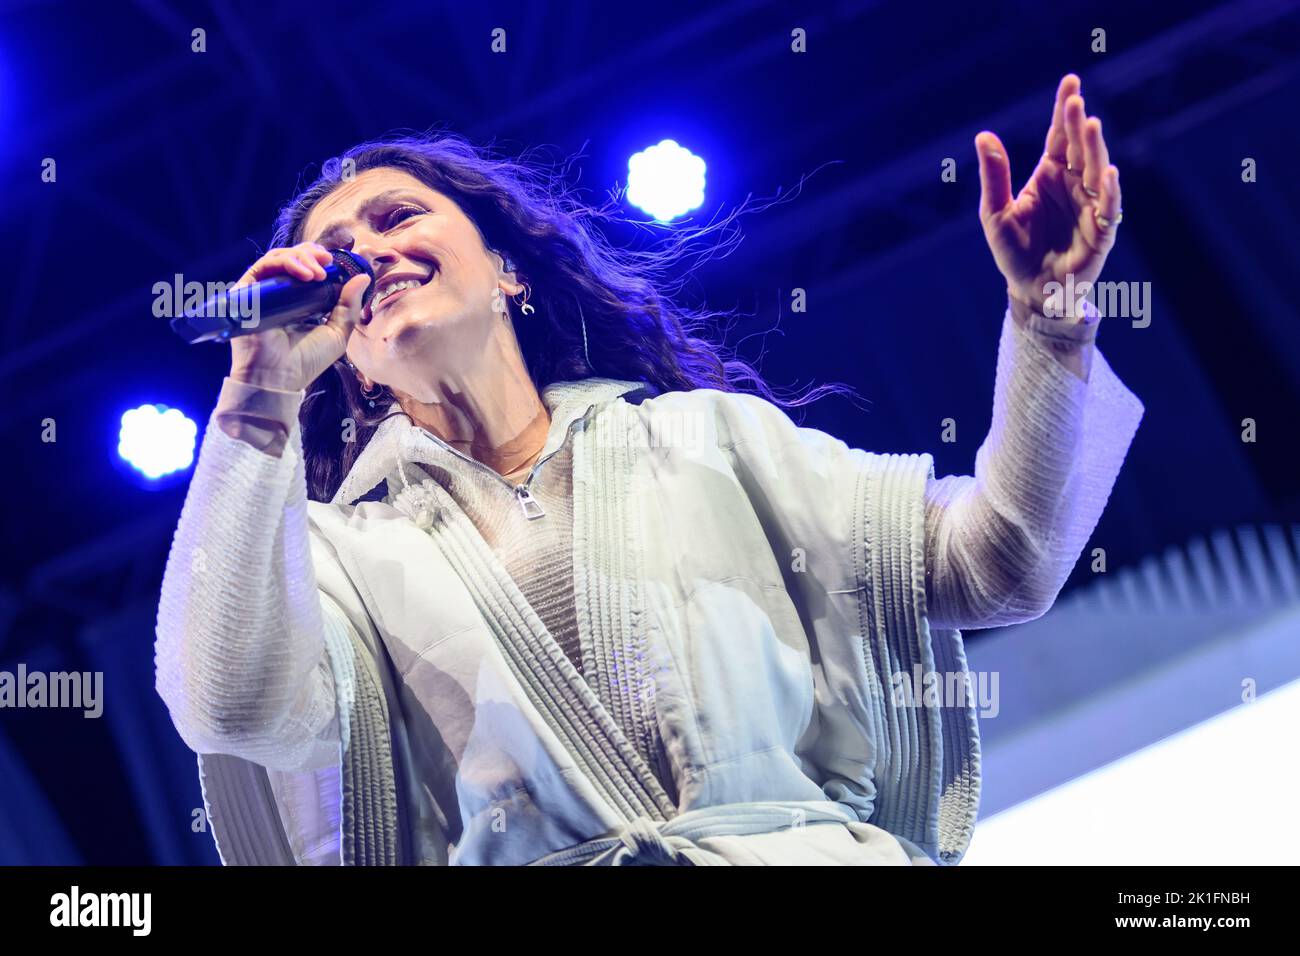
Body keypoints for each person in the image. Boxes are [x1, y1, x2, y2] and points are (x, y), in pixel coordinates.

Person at [155, 73, 1143, 865]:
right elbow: (229, 706)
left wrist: (1048, 315)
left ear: (506, 271)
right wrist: (260, 388)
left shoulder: (712, 437)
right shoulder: (336, 553)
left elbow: (1000, 563)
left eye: (397, 217)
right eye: (332, 252)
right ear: (352, 361)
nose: (366, 253)